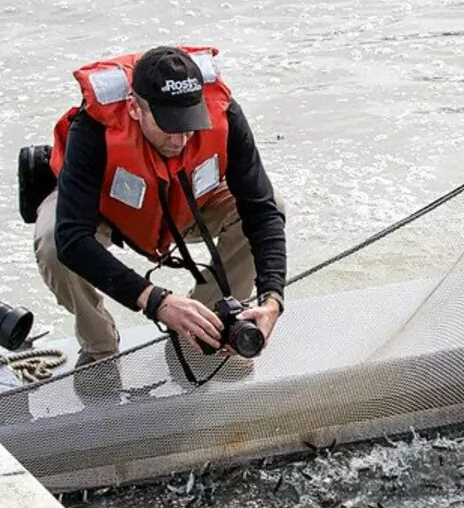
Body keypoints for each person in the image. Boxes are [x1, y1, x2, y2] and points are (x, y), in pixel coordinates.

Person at [25, 45, 287, 370]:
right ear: (135, 108)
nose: (181, 140)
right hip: (108, 208)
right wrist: (156, 301)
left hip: (190, 202)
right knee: (52, 241)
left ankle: (206, 324)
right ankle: (99, 347)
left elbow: (262, 211)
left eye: (190, 123)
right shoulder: (93, 129)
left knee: (273, 203)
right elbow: (71, 238)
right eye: (169, 125)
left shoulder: (226, 114)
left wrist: (273, 299)